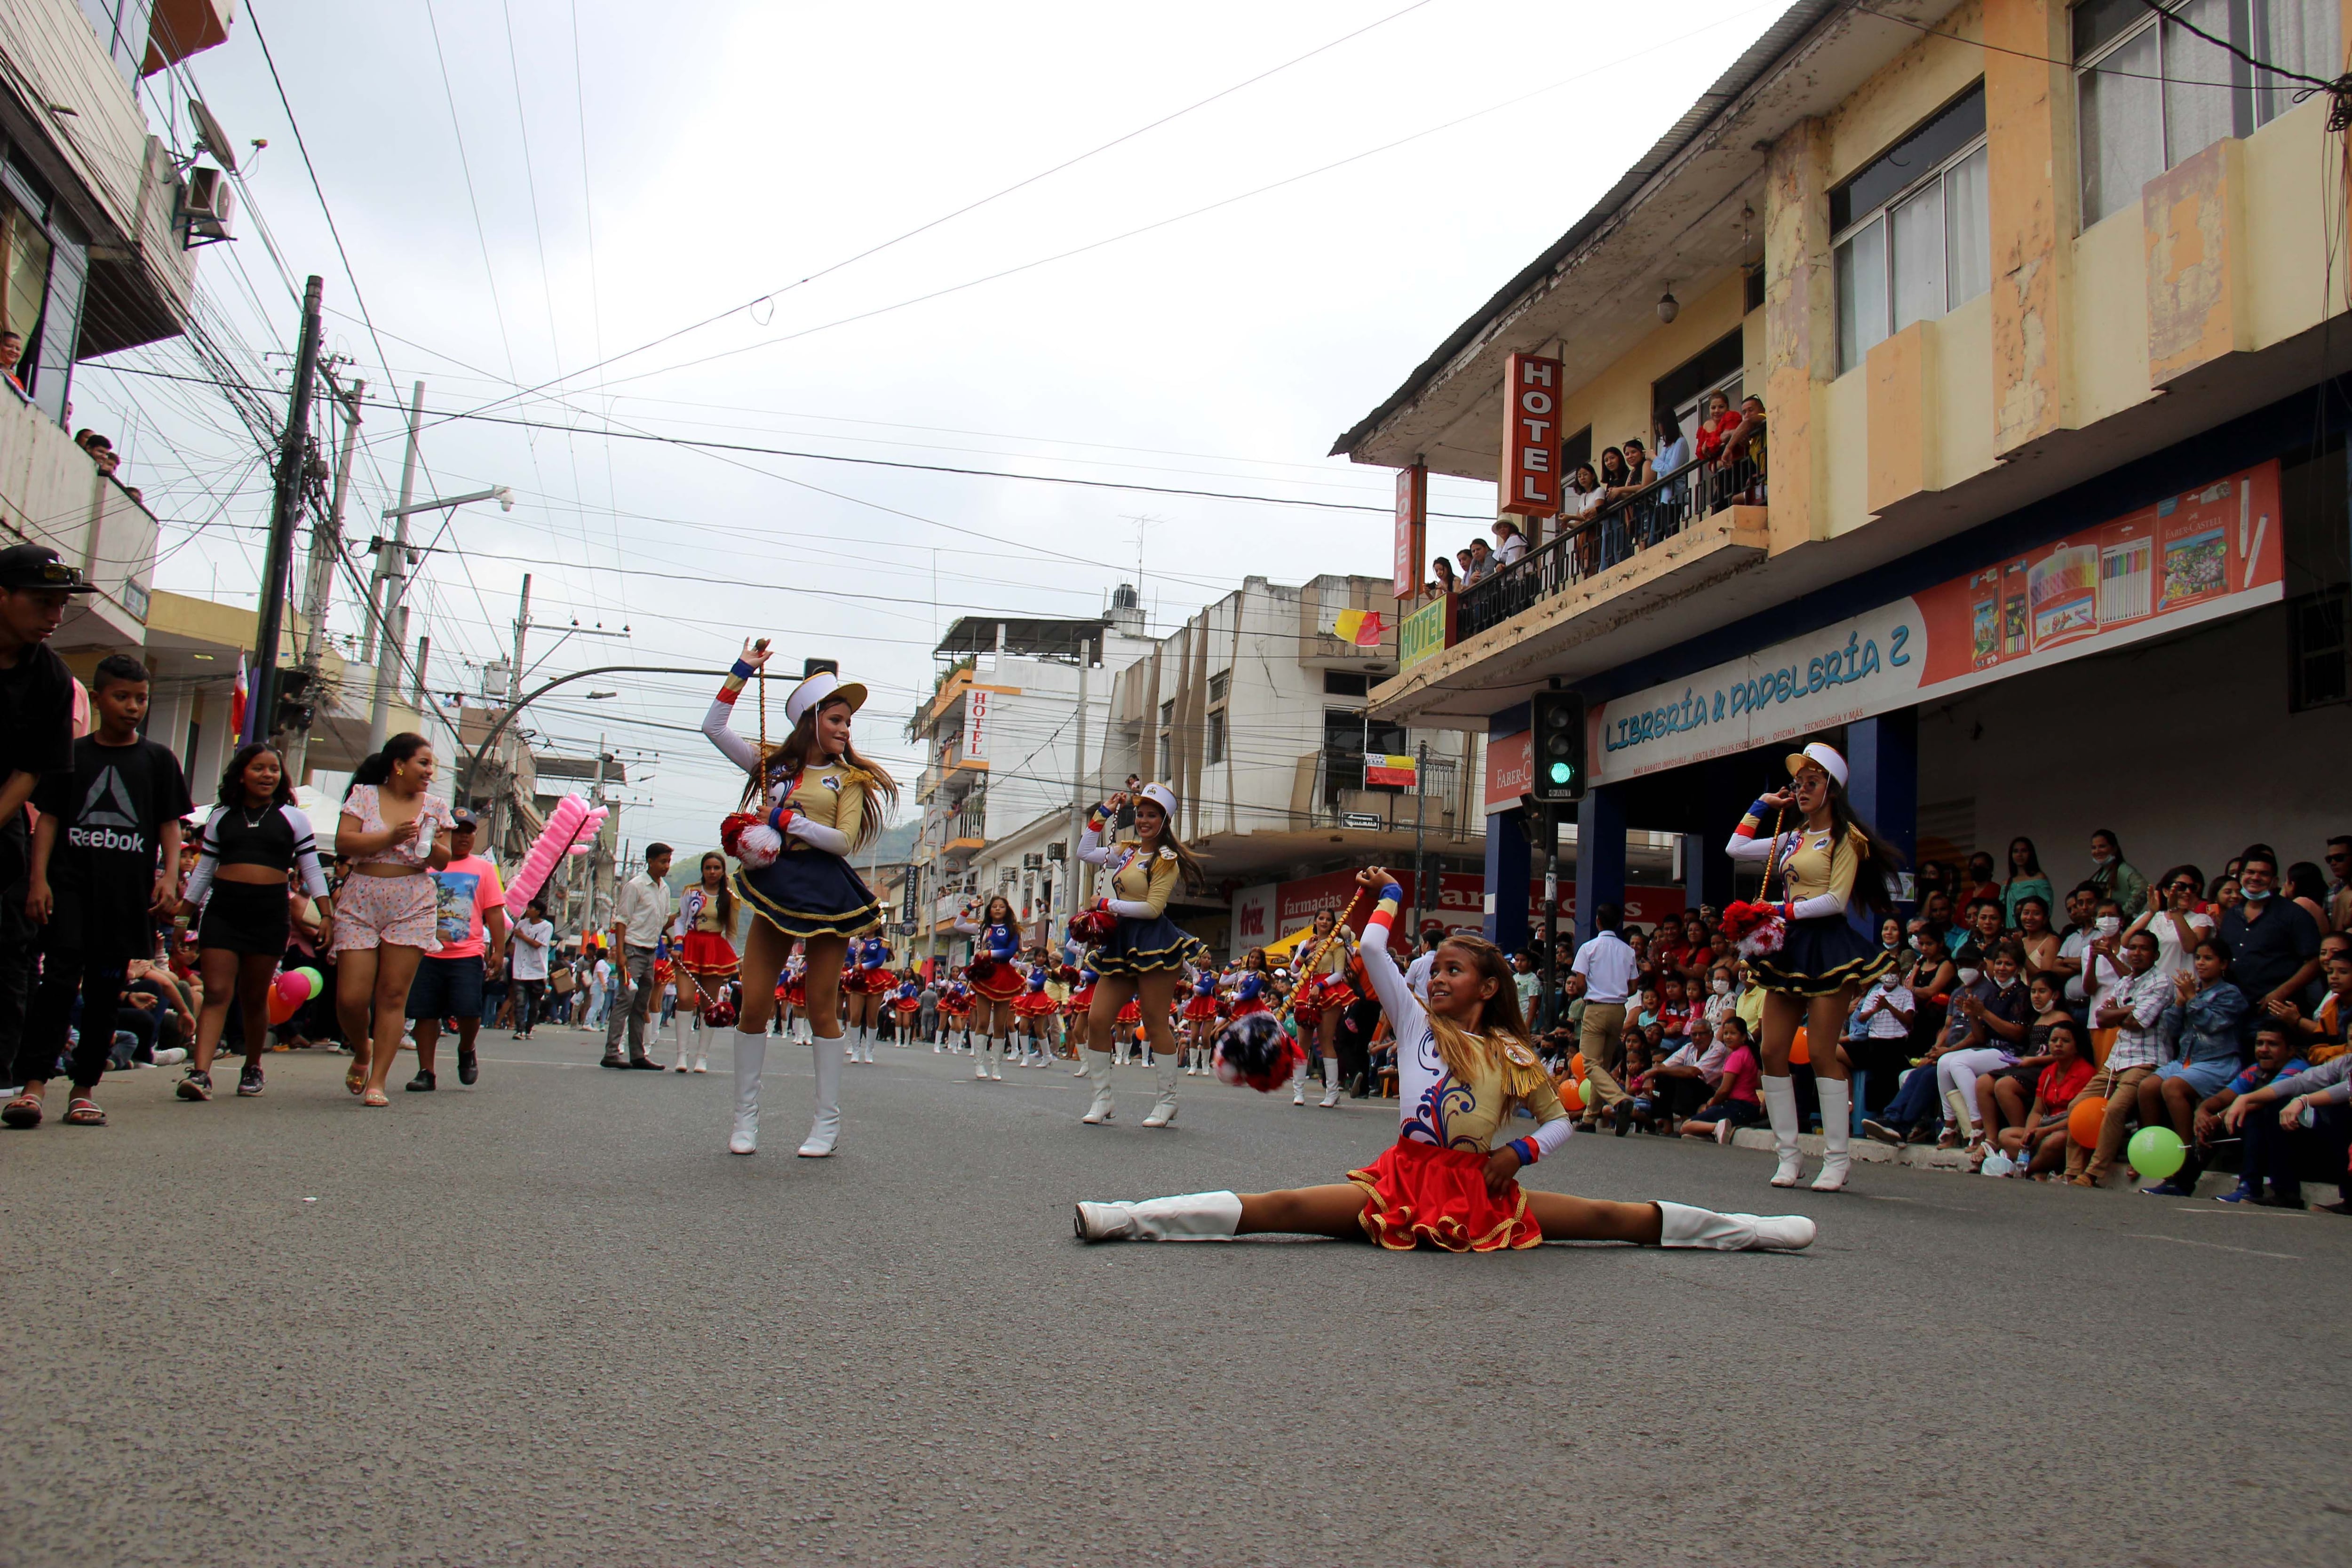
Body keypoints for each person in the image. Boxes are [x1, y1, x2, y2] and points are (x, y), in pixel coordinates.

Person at [1073, 871, 1813, 1253]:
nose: (1437, 977)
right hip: (1403, 1177)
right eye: (1434, 968)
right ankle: (1131, 1218)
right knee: (1289, 1208)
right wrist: (1389, 896)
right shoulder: (1412, 1018)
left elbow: (1562, 1121)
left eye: (1454, 970)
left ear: (1489, 988)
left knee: (1604, 1217)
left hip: (1480, 1188)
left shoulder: (1513, 1050)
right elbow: (1369, 949)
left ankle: (1755, 1229)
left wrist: (1517, 1153)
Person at [703, 645, 896, 1157]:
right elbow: (714, 728)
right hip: (775, 888)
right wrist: (743, 670)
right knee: (756, 1003)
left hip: (825, 891)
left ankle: (825, 1125)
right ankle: (745, 1120)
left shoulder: (849, 778)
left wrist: (786, 821)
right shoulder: (773, 766)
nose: (845, 729)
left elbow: (843, 841)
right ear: (811, 720)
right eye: (836, 719)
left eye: (848, 722)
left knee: (819, 1008)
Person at [6, 654, 187, 1128]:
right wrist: (38, 878)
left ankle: (84, 1089)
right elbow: (47, 820)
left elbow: (170, 824)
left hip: (124, 899)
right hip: (69, 891)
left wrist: (168, 875)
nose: (133, 707)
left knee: (107, 991)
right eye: (122, 697)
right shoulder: (71, 757)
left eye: (141, 699)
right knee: (58, 985)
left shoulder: (158, 761)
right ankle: (33, 1087)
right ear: (100, 697)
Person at [1725, 740, 1901, 1190]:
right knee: (1771, 1050)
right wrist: (1762, 804)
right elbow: (1735, 848)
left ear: (1832, 789)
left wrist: (1779, 912)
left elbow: (1835, 900)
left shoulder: (1848, 840)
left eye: (1812, 783)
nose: (1802, 790)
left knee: (1823, 1051)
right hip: (1789, 946)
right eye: (1798, 783)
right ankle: (1789, 1155)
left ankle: (1837, 1159)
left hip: (1828, 946)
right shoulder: (1794, 836)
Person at [176, 742, 331, 1101]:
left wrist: (327, 914)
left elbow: (311, 868)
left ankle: (253, 1066)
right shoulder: (222, 816)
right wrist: (183, 917)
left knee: (253, 995)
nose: (267, 775)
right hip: (224, 910)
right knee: (216, 992)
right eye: (259, 768)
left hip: (269, 913)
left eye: (273, 770)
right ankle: (200, 1073)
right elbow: (203, 872)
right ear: (242, 774)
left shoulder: (293, 818)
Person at [0, 546, 86, 1128]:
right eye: (42, 601)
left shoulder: (52, 679)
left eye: (61, 605)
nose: (54, 615)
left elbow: (32, 768)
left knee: (9, 950)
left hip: (2, 813)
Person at [1073, 782, 1208, 1128]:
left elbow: (1152, 908)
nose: (1144, 820)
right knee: (1099, 1019)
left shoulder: (1166, 860)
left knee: (1154, 1021)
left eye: (1152, 815)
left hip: (1155, 944)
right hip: (1121, 943)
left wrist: (1105, 904)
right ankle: (1102, 1099)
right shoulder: (1128, 851)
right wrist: (1104, 811)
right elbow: (1084, 851)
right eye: (1141, 814)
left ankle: (1167, 1101)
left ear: (1165, 821)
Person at [335, 733, 456, 1107]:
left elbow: (442, 861)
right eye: (423, 762)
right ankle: (361, 1048)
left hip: (412, 902)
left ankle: (378, 1081)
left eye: (431, 764)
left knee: (392, 995)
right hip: (361, 898)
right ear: (399, 764)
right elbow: (344, 843)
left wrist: (427, 839)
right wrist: (389, 835)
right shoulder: (364, 795)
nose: (429, 771)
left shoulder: (435, 806)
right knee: (351, 997)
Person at [2133, 938, 2251, 1195]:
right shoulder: (2192, 991)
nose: (2201, 963)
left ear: (2224, 964)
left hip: (2218, 1062)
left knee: (2173, 1087)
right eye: (2198, 958)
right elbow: (2170, 1030)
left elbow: (2213, 1025)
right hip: (2187, 1061)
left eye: (2208, 959)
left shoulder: (2231, 994)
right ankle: (2154, 1150)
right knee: (2148, 1087)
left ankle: (2185, 1157)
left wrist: (2191, 998)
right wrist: (2179, 1002)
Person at [405, 813, 507, 1092]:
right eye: (457, 831)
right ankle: (426, 1071)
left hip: (468, 952)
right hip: (426, 951)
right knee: (425, 1014)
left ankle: (466, 1048)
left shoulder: (484, 869)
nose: (464, 836)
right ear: (443, 834)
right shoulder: (426, 865)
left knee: (469, 1011)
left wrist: (498, 950)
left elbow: (495, 911)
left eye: (469, 831)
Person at [2066, 929, 2172, 1186]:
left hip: (2145, 1061)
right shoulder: (2125, 982)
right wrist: (2130, 1008)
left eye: (2144, 949)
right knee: (2077, 1106)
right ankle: (2071, 1171)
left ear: (2156, 955)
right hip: (2116, 1061)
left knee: (2114, 1110)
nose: (2137, 953)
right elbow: (2102, 1017)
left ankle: (2093, 1174)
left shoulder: (2162, 982)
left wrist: (2122, 1013)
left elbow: (2137, 1022)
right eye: (2133, 948)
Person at [2221, 1043, 2352, 1212]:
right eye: (2351, 1037)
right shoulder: (2345, 1063)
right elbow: (2300, 1082)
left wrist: (2303, 1100)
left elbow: (2347, 1090)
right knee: (2275, 1105)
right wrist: (2246, 1098)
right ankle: (2285, 1194)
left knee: (2341, 1112)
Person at [1983, 1018, 2093, 1179]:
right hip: (2045, 1127)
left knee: (2055, 1141)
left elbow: (2078, 1117)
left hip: (2066, 1128)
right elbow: (2037, 1110)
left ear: (2077, 1046)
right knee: (2005, 1136)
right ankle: (2042, 1169)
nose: (2058, 1045)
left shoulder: (2086, 1073)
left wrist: (2044, 1132)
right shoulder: (2048, 1072)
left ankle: (2023, 1172)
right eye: (2054, 1040)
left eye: (2065, 1041)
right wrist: (2030, 1133)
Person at [2220, 846, 2323, 1018]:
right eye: (2250, 872)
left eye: (2263, 874)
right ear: (2241, 877)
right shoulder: (2232, 915)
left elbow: (2314, 962)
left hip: (2277, 1012)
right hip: (2235, 1011)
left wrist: (2280, 993)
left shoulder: (2294, 915)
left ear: (2275, 881)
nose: (2255, 878)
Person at [1567, 903, 1639, 1130]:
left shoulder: (1589, 948)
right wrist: (1618, 992)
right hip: (1619, 1009)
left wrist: (1588, 994)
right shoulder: (1628, 950)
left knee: (1590, 1065)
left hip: (1596, 1007)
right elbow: (1634, 986)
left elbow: (1579, 982)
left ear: (1598, 921)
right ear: (1618, 923)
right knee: (1603, 1065)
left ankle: (1620, 1099)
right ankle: (1590, 1118)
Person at [667, 851, 739, 1073]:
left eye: (716, 868)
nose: (712, 872)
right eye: (708, 868)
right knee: (686, 998)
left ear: (723, 871)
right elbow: (680, 920)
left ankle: (702, 1057)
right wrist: (678, 944)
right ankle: (681, 1055)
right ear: (703, 870)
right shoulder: (691, 891)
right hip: (689, 946)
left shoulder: (731, 898)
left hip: (714, 949)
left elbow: (732, 933)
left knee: (709, 1004)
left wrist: (732, 960)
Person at [603, 843, 672, 1070]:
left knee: (641, 1004)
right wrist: (621, 954)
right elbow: (622, 920)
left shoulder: (665, 889)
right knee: (625, 1001)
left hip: (651, 950)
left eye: (668, 861)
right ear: (650, 861)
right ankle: (612, 1052)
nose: (666, 866)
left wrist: (686, 914)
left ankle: (637, 1054)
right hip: (633, 950)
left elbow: (664, 922)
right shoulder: (636, 886)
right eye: (662, 861)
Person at [1289, 906, 1359, 1109]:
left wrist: (1321, 986)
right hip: (1306, 990)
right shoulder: (1306, 943)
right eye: (1321, 918)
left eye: (1329, 919)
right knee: (1303, 1043)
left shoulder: (1337, 945)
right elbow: (1294, 968)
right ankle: (1298, 1092)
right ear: (1315, 921)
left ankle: (1332, 1092)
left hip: (1327, 989)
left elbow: (1339, 973)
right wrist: (1305, 951)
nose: (1324, 922)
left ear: (1333, 922)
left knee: (1326, 1040)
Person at [952, 894, 1025, 1081]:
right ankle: (979, 1064)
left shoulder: (1013, 930)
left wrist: (989, 953)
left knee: (1000, 1025)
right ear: (990, 910)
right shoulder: (982, 927)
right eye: (994, 907)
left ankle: (997, 1067)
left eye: (1001, 906)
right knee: (983, 1022)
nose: (998, 909)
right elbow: (958, 925)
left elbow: (1010, 952)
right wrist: (969, 906)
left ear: (1007, 910)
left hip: (1003, 974)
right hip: (984, 975)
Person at [1677, 1014, 1764, 1144]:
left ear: (1744, 1037)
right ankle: (1712, 1133)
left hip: (1739, 1106)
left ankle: (1716, 1128)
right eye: (1726, 1033)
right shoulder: (1748, 1053)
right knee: (1700, 1115)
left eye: (1733, 1034)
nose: (1728, 1037)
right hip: (1750, 1107)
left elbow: (1724, 1090)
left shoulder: (1737, 1056)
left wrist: (1711, 1104)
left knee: (1686, 1127)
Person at [841, 929, 892, 1065]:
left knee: (872, 1018)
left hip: (875, 978)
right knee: (855, 1016)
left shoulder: (882, 943)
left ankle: (869, 1051)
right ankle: (856, 1050)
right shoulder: (858, 942)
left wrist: (862, 966)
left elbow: (879, 961)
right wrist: (851, 971)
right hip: (859, 979)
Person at [509, 897, 553, 1039]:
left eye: (531, 908)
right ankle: (519, 1029)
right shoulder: (522, 923)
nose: (527, 910)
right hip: (520, 968)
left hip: (537, 970)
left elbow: (537, 944)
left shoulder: (547, 927)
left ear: (538, 912)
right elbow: (514, 943)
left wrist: (522, 936)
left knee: (534, 1005)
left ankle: (529, 1028)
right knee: (520, 1001)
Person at [2087, 829, 2148, 919]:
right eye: (2094, 848)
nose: (2097, 851)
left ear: (2114, 848)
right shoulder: (2099, 874)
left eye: (2102, 847)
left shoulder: (2124, 870)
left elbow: (2143, 889)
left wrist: (2123, 914)